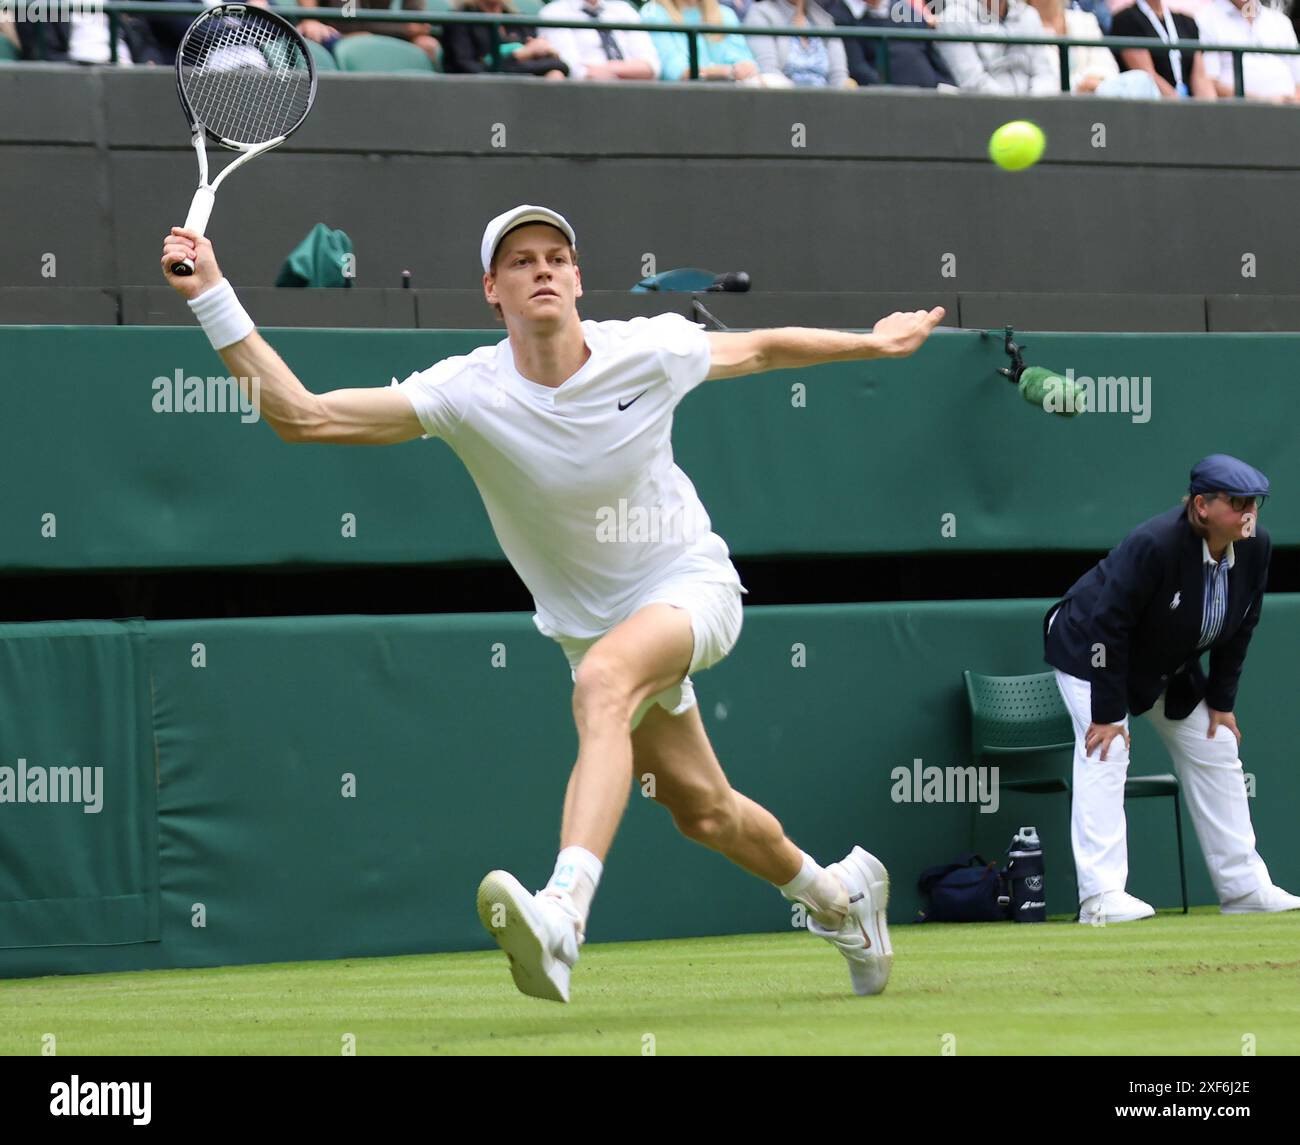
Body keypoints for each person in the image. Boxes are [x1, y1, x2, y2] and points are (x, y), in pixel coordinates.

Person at [159, 204, 945, 1003]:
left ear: (575, 279)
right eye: (520, 260)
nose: (541, 268)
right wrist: (211, 293)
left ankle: (563, 915)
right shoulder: (465, 391)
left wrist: (873, 341)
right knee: (703, 810)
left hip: (688, 583)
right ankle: (841, 899)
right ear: (492, 289)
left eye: (555, 256)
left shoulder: (652, 347)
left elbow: (766, 346)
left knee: (603, 683)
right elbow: (304, 416)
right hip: (591, 625)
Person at [1043, 454, 1300, 924]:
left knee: (1218, 744)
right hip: (1092, 649)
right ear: (1201, 506)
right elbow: (1108, 624)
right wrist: (1106, 715)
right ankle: (1100, 897)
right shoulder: (1155, 544)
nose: (1250, 513)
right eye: (1238, 502)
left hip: (1164, 661)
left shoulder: (1256, 546)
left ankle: (1244, 888)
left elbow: (1243, 623)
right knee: (1106, 750)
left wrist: (1221, 703)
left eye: (1256, 503)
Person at [1028, 0, 1162, 95]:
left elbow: (1109, 68)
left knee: (1141, 80)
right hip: (1053, 111)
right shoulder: (1021, 26)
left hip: (1097, 101)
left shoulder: (1085, 20)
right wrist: (1080, 85)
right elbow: (1039, 84)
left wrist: (1091, 83)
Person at [821, 0, 958, 89]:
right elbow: (858, 69)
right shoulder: (839, 15)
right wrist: (897, 93)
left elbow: (933, 56)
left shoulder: (903, 8)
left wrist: (947, 86)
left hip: (935, 101)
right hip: (890, 108)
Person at [1108, 0, 1218, 98]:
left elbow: (1200, 76)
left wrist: (1208, 111)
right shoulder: (1126, 20)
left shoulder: (1187, 22)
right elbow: (1147, 74)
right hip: (1152, 107)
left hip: (1186, 105)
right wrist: (1183, 109)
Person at [1196, 0, 1300, 101]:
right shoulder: (1204, 18)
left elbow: (1298, 82)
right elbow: (1209, 84)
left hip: (1290, 111)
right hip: (1237, 113)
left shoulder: (1281, 21)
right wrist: (1263, 102)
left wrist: (1292, 102)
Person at [441, 0, 569, 77]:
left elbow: (560, 65)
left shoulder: (519, 21)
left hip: (525, 93)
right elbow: (468, 70)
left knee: (555, 75)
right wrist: (520, 55)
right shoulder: (458, 20)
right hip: (478, 96)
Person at [537, 0, 661, 80]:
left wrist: (610, 69)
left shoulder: (624, 9)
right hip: (587, 97)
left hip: (638, 93)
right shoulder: (553, 13)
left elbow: (652, 67)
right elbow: (573, 70)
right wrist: (631, 70)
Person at [641, 0, 760, 82]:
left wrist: (738, 70)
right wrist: (729, 72)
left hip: (731, 100)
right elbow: (675, 72)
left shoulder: (726, 14)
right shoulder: (653, 13)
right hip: (677, 103)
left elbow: (747, 64)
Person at [744, 0, 852, 87]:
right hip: (782, 104)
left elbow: (839, 76)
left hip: (828, 104)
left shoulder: (824, 18)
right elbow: (769, 72)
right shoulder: (761, 13)